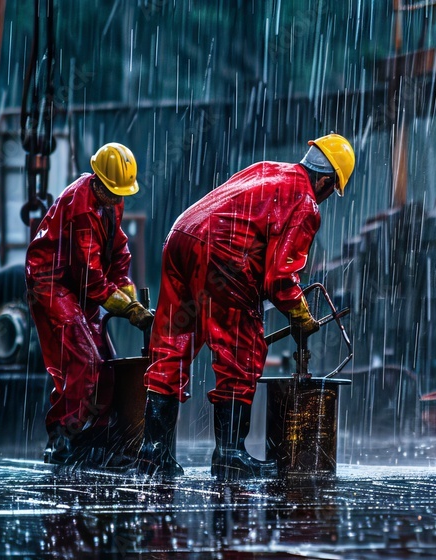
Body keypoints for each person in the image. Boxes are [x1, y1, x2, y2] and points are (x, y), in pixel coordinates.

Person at [137, 133, 356, 480]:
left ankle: (153, 452)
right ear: (327, 182)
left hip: (180, 236)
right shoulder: (305, 203)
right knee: (241, 348)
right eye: (332, 190)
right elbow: (280, 279)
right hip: (222, 255)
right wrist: (300, 314)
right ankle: (230, 455)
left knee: (173, 343)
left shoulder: (267, 169)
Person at [26, 142, 154, 469]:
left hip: (78, 285)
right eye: (112, 191)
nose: (116, 198)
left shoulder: (111, 199)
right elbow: (90, 278)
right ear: (98, 180)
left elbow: (118, 249)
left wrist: (127, 293)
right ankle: (62, 438)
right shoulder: (81, 208)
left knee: (105, 363)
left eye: (120, 193)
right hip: (52, 283)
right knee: (85, 360)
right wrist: (129, 309)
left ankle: (96, 435)